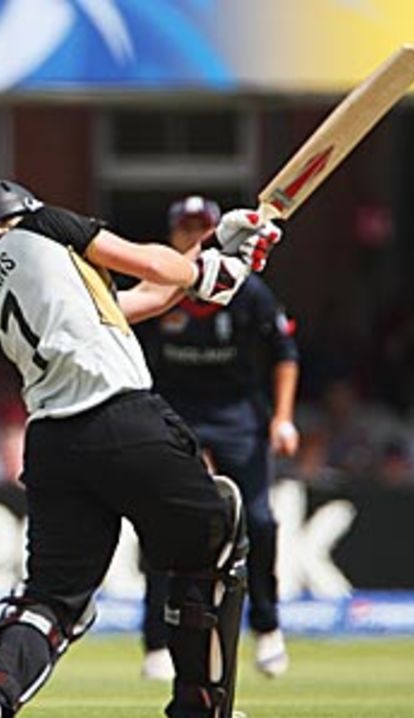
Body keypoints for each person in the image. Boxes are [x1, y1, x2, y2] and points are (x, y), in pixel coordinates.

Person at [0, 179, 280, 718]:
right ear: (20, 210)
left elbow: (146, 299)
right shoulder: (43, 224)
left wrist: (214, 253)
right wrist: (215, 272)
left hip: (53, 443)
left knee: (53, 600)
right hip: (125, 418)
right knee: (215, 535)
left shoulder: (0, 285)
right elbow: (148, 262)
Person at [135, 196, 299, 681]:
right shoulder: (159, 283)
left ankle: (267, 628)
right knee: (163, 524)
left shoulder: (250, 292)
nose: (191, 237)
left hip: (237, 413)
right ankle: (156, 644)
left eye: (200, 228)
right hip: (174, 409)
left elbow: (285, 353)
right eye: (183, 229)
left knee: (261, 521)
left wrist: (283, 418)